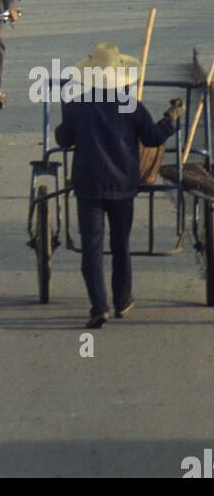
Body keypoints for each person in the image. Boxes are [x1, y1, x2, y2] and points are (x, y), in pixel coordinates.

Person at [56, 47, 185, 329]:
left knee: (91, 247)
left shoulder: (78, 104)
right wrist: (170, 120)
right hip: (122, 186)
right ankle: (123, 300)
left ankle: (99, 306)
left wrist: (68, 117)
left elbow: (63, 139)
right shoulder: (129, 105)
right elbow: (152, 139)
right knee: (120, 246)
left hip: (89, 185)